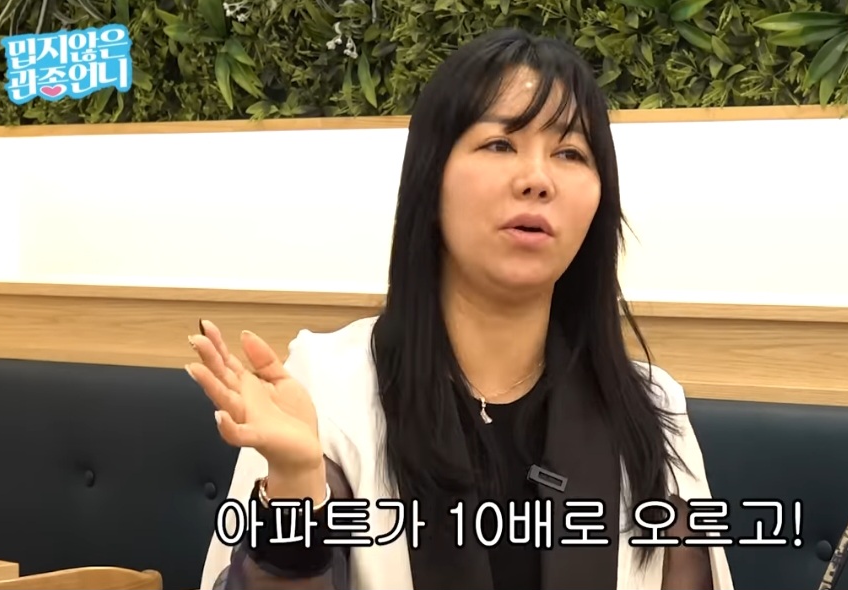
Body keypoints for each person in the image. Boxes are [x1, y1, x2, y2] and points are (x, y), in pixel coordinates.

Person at [187, 27, 734, 590]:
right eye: (500, 145)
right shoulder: (325, 389)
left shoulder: (650, 407)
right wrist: (297, 492)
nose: (537, 179)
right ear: (431, 179)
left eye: (570, 152)